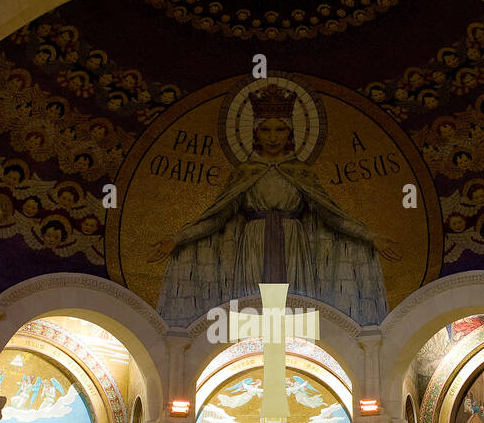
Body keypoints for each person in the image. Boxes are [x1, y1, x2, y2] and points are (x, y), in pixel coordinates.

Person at [152, 82, 400, 325]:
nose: (272, 137)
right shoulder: (246, 172)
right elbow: (215, 218)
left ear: (290, 133)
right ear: (255, 133)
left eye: (279, 130)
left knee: (295, 316)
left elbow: (332, 215)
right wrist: (178, 238)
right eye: (265, 130)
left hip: (294, 245)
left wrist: (370, 236)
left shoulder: (301, 172)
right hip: (254, 245)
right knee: (252, 316)